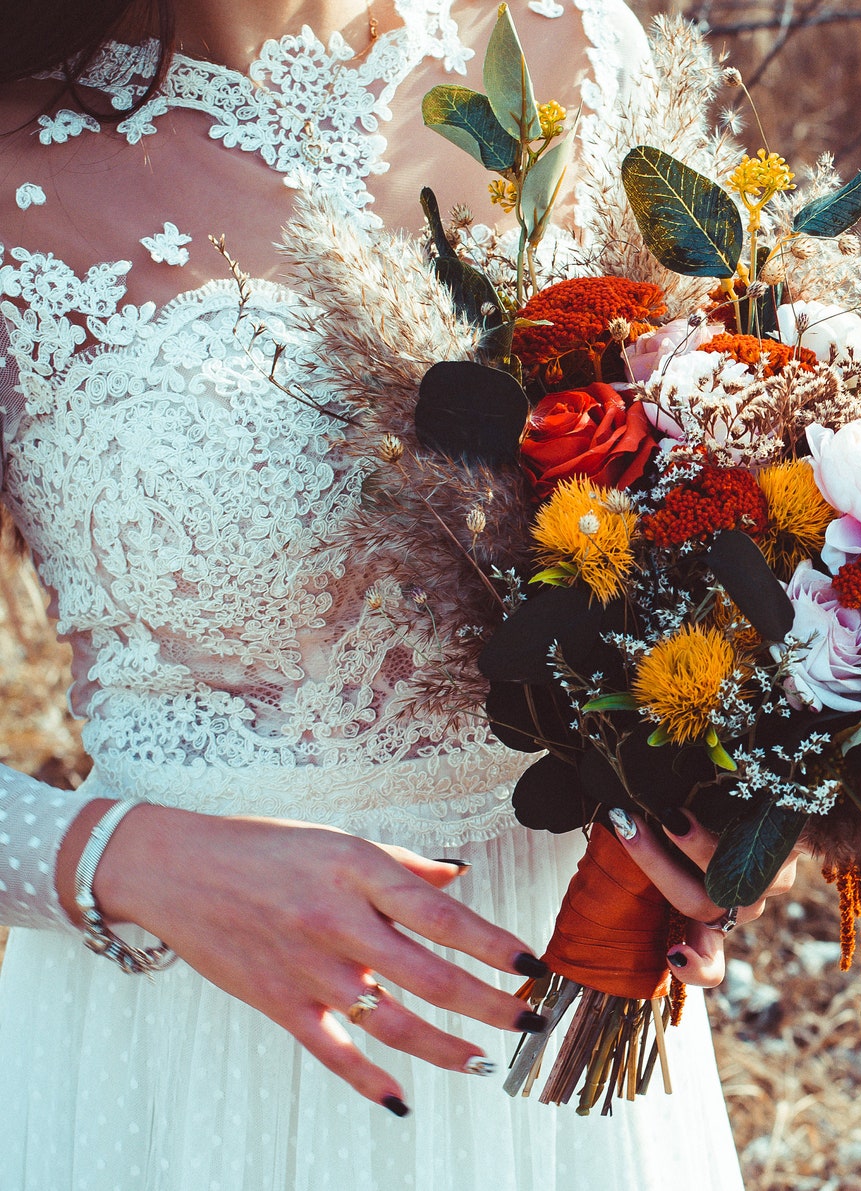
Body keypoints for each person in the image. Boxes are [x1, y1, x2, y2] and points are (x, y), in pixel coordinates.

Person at [0, 2, 786, 1186]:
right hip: (188, 1039)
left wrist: (734, 794)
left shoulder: (578, 49)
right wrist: (123, 859)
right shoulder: (14, 163)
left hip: (571, 1011)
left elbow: (735, 497)